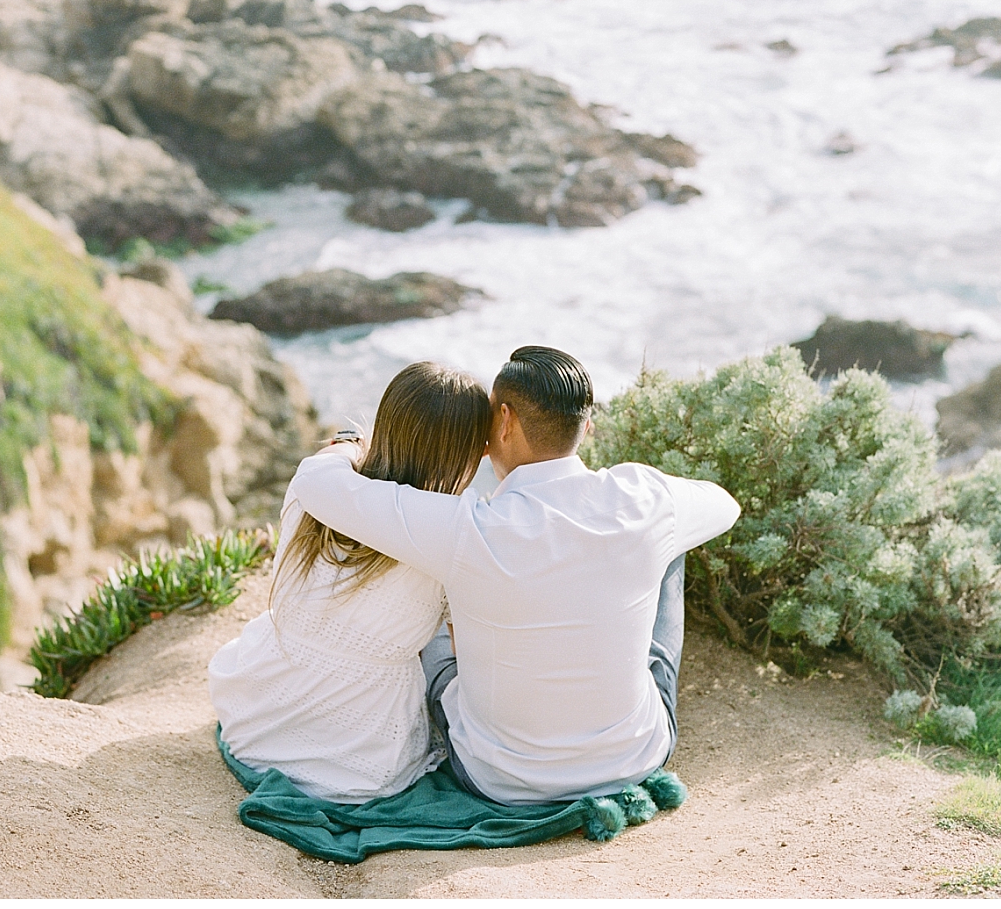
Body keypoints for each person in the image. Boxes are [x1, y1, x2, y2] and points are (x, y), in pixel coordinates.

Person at [291, 345, 741, 805]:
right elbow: (725, 505)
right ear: (586, 425)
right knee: (670, 544)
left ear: (504, 421)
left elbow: (315, 485)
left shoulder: (465, 528)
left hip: (496, 777)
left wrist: (351, 443)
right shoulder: (644, 497)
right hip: (631, 760)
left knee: (438, 605)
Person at [208, 361, 492, 803]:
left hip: (257, 719)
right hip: (362, 760)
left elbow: (335, 458)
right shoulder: (448, 539)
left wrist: (349, 444)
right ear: (466, 454)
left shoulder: (315, 490)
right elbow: (470, 660)